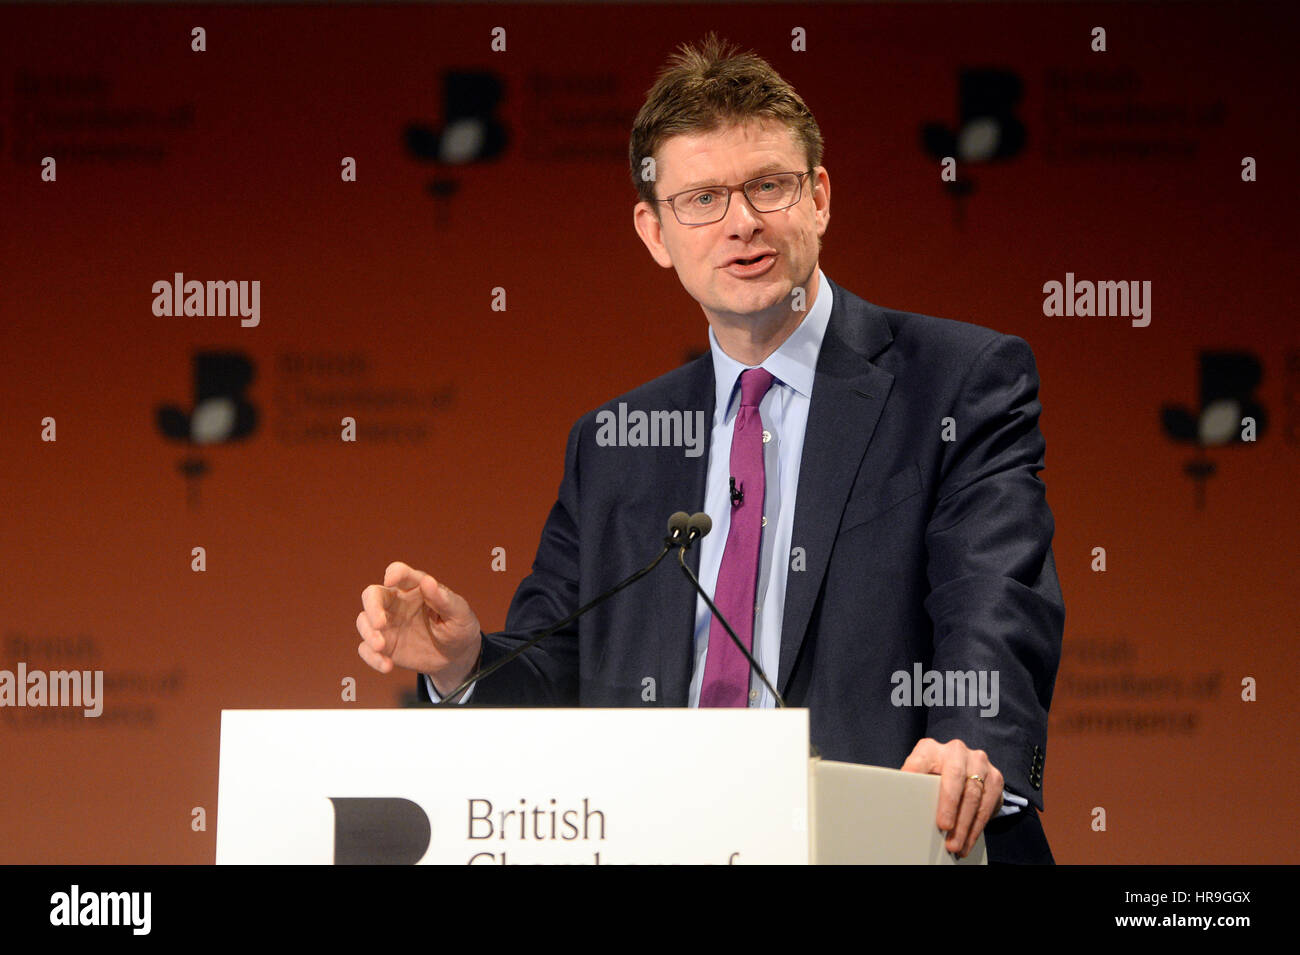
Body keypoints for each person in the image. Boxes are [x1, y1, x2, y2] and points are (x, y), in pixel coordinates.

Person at [356, 34, 1064, 863]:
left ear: (821, 197)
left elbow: (995, 594)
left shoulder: (956, 380)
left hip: (894, 838)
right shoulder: (615, 442)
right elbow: (558, 673)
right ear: (654, 231)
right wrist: (467, 661)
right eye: (701, 200)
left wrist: (968, 741)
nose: (743, 224)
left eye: (769, 186)